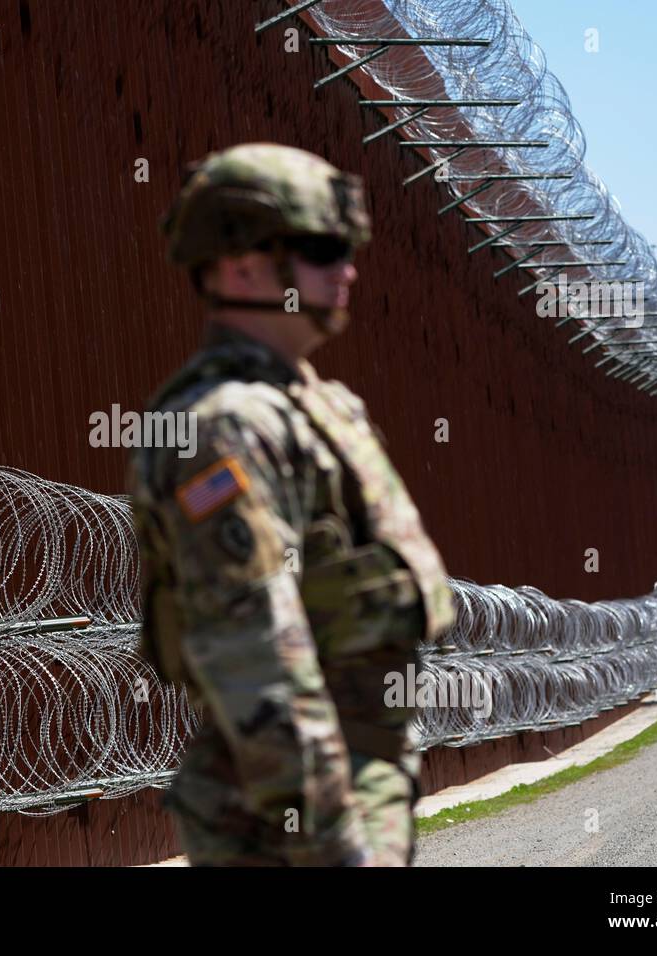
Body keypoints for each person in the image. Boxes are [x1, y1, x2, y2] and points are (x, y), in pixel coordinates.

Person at [129, 142, 457, 866]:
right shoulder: (225, 427)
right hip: (285, 822)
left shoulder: (313, 405)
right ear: (241, 265)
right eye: (320, 247)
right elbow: (257, 654)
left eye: (347, 248)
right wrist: (333, 842)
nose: (348, 269)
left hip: (355, 782)